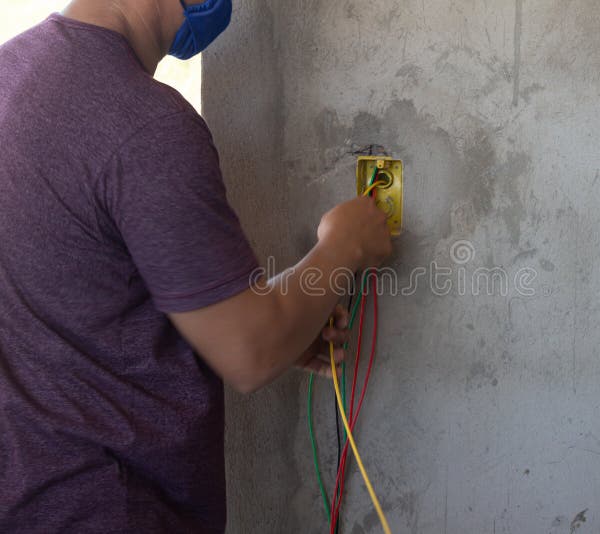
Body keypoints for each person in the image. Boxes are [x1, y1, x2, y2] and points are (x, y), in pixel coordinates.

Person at [0, 0, 392, 531]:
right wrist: (344, 246)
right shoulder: (146, 124)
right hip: (108, 506)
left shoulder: (11, 72)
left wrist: (271, 320)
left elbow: (75, 291)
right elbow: (250, 354)